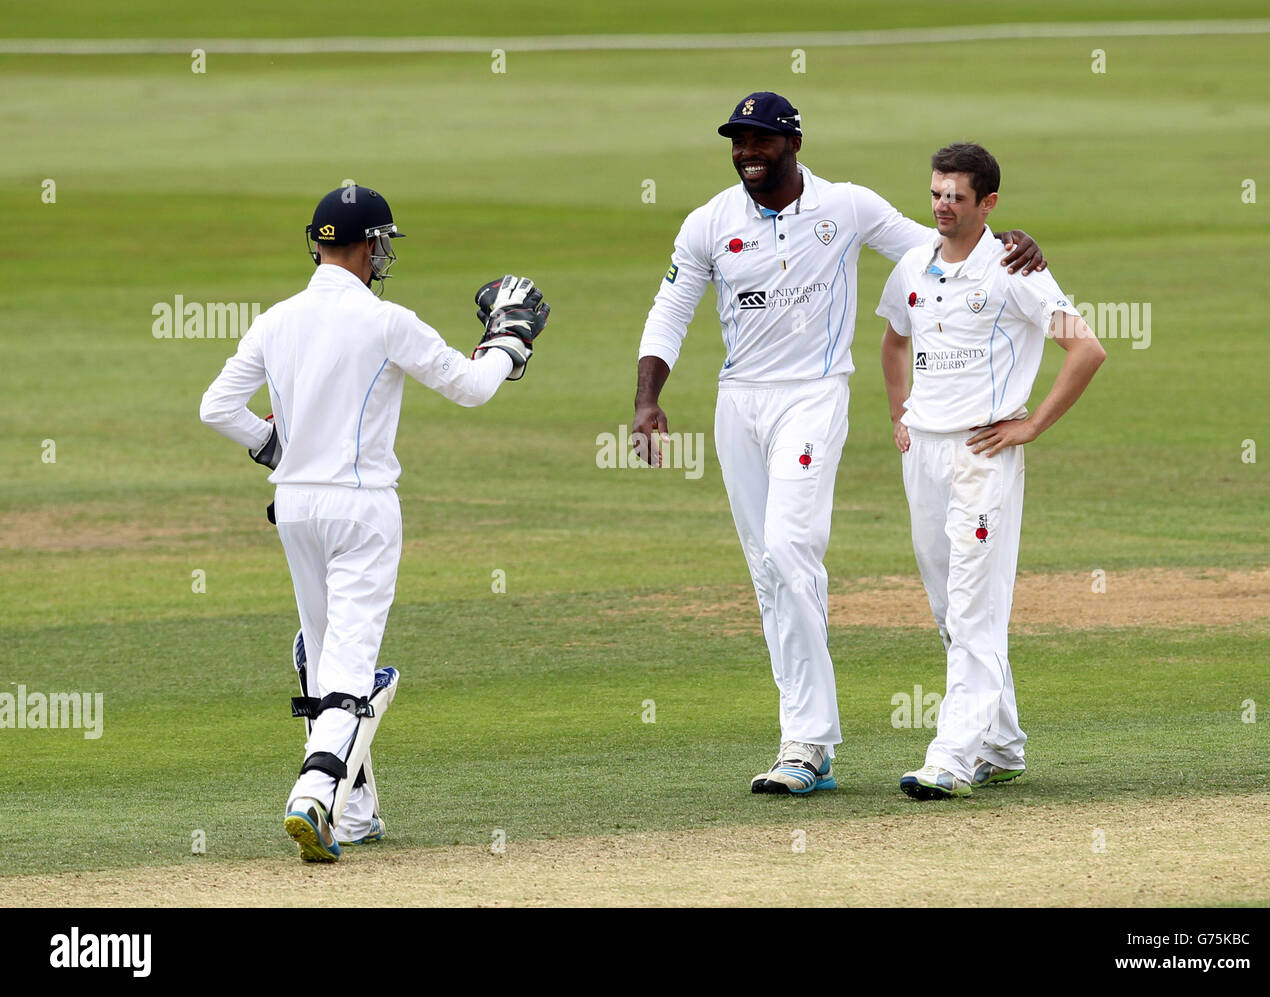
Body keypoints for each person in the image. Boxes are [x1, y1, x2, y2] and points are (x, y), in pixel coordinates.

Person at [633, 93, 1045, 794]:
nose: (747, 154)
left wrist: (1011, 244)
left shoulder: (845, 207)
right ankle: (996, 738)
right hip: (741, 401)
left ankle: (809, 740)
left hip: (815, 393)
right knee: (768, 566)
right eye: (738, 142)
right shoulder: (710, 221)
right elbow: (670, 308)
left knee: (791, 545)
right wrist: (647, 398)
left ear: (792, 143)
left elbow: (937, 242)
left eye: (760, 141)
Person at [199, 185, 548, 860]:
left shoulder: (276, 319)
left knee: (326, 652)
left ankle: (355, 814)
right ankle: (313, 793)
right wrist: (510, 337)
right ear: (369, 247)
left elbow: (218, 408)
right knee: (351, 671)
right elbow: (474, 387)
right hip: (362, 509)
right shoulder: (388, 321)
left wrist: (273, 444)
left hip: (295, 505)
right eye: (381, 243)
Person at [876, 142, 1105, 800]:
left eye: (957, 196)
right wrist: (900, 411)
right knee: (950, 605)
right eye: (936, 194)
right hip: (922, 450)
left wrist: (1030, 426)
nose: (944, 206)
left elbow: (1086, 347)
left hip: (984, 452)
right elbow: (894, 338)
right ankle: (1001, 743)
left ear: (989, 204)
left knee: (975, 604)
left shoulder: (1014, 266)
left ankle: (951, 755)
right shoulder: (913, 266)